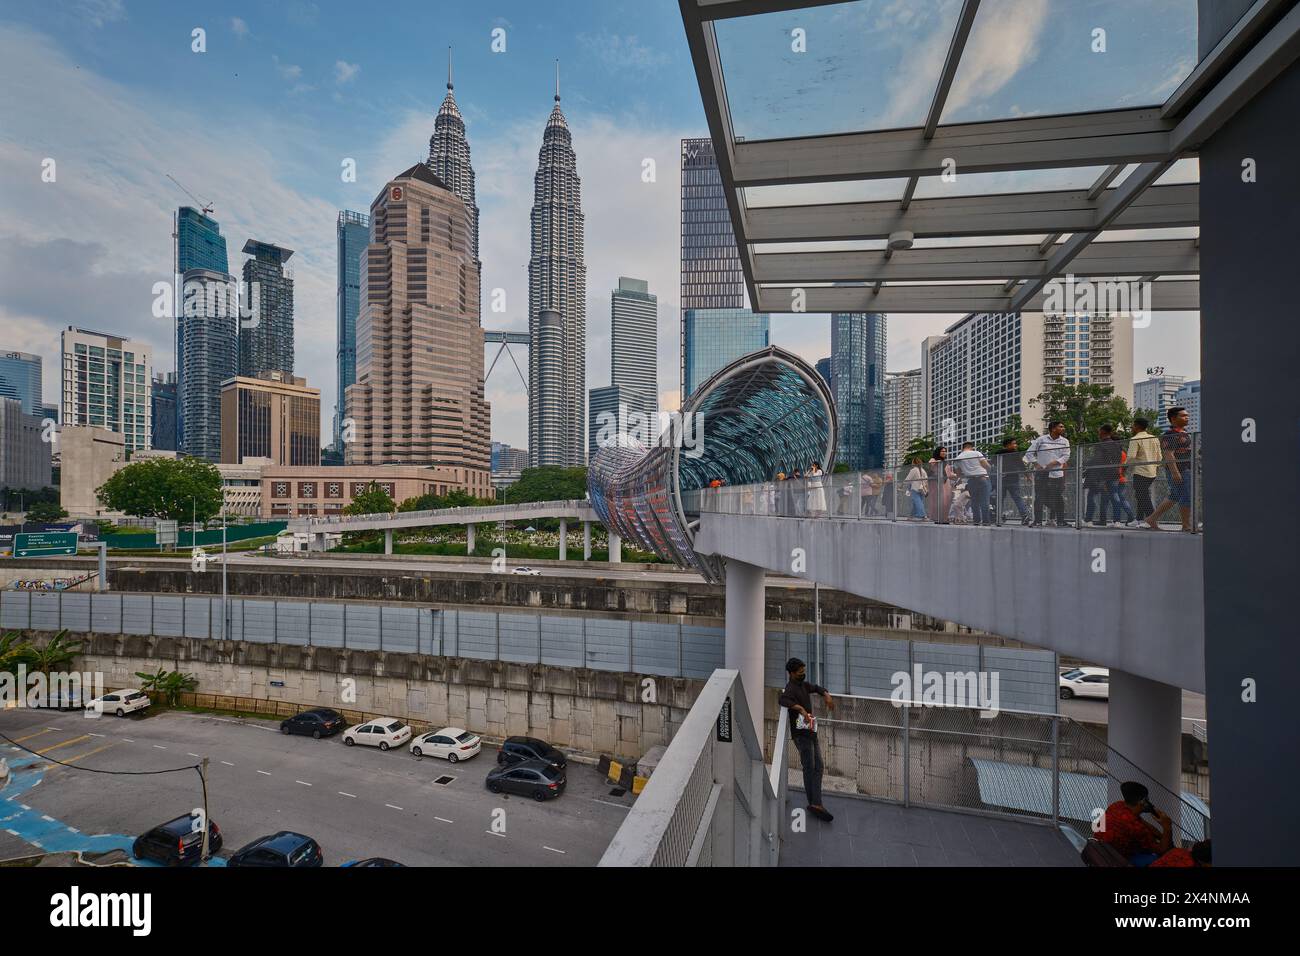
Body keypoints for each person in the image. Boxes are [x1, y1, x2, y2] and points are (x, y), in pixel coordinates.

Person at [779, 657, 835, 822]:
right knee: (809, 767)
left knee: (818, 766)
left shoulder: (803, 685)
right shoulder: (790, 689)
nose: (803, 674)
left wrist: (826, 695)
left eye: (804, 672)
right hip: (801, 736)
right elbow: (782, 700)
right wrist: (800, 709)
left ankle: (815, 802)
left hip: (810, 732)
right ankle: (815, 803)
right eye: (800, 672)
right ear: (791, 673)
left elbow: (817, 688)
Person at [1097, 780, 1173, 866]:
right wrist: (1167, 826)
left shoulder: (1117, 805)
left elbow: (1142, 822)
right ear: (1142, 802)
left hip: (1100, 852)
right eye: (1147, 799)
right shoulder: (1137, 828)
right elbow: (1163, 849)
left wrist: (1158, 834)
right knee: (1160, 859)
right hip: (1116, 860)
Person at [1145, 406, 1194, 532]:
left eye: (1187, 415)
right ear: (1173, 418)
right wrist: (1175, 472)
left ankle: (1151, 518)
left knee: (1175, 495)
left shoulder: (1185, 433)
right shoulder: (1170, 434)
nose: (1187, 417)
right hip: (1180, 470)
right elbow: (1168, 454)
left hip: (1187, 469)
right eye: (1183, 416)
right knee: (1185, 496)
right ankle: (1186, 525)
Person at [1024, 421, 1071, 527]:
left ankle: (1060, 521)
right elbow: (1029, 453)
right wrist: (1036, 464)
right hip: (1042, 474)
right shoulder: (1041, 439)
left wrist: (1055, 463)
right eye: (1061, 426)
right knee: (1040, 497)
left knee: (1058, 497)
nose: (1063, 428)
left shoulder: (1065, 441)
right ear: (1053, 429)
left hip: (1057, 474)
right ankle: (1038, 521)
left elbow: (1066, 456)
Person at [1084, 424, 1124, 527]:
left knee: (1091, 495)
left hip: (1101, 474)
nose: (1098, 432)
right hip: (1114, 473)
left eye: (1099, 430)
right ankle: (1117, 521)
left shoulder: (1100, 444)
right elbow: (1118, 459)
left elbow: (1097, 460)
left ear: (1102, 431)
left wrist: (1086, 464)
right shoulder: (1117, 444)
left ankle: (1088, 520)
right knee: (1114, 496)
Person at [1126, 417, 1160, 523]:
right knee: (1141, 494)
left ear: (1137, 426)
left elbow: (1131, 456)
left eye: (1133, 425)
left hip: (1140, 471)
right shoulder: (1154, 438)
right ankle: (1139, 519)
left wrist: (1125, 466)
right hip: (1152, 471)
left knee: (1141, 495)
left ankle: (1152, 518)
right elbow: (1159, 456)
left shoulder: (1135, 439)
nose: (1132, 427)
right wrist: (1155, 466)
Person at [994, 437, 1032, 525]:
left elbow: (993, 464)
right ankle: (1024, 516)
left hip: (1003, 478)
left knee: (1000, 499)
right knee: (1017, 498)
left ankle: (999, 516)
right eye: (1014, 443)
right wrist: (1028, 476)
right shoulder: (1015, 454)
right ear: (1007, 445)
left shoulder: (998, 453)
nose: (1016, 445)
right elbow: (1021, 466)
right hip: (1010, 479)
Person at [953, 441, 991, 525]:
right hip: (982, 478)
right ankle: (986, 521)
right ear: (972, 447)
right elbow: (986, 465)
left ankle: (976, 520)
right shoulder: (976, 453)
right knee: (984, 501)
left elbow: (958, 473)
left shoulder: (958, 458)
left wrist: (967, 472)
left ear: (962, 448)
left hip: (971, 480)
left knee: (974, 501)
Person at [927, 446, 954, 522]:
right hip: (936, 483)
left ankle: (944, 518)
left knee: (946, 501)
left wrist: (955, 475)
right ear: (938, 452)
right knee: (937, 500)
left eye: (945, 451)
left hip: (946, 483)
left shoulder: (945, 462)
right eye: (942, 451)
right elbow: (931, 468)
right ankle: (937, 518)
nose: (944, 453)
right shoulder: (934, 460)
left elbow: (949, 474)